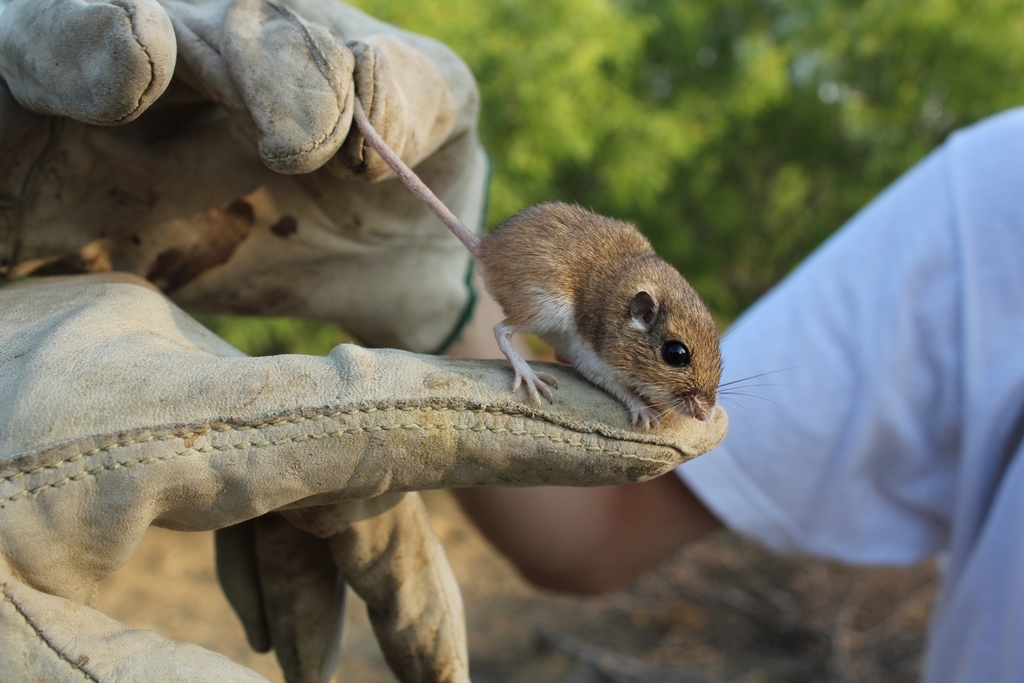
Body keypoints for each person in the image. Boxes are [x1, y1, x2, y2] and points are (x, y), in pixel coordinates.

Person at [0, 1, 725, 681]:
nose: (693, 397)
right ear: (641, 317)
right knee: (540, 317)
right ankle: (507, 339)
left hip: (532, 276)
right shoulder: (615, 321)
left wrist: (444, 303)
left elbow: (591, 542)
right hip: (539, 279)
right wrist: (572, 370)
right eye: (678, 366)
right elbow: (593, 357)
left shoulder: (645, 326)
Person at [453, 106, 1024, 682]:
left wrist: (638, 398)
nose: (702, 406)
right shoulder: (997, 183)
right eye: (677, 362)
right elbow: (596, 530)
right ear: (642, 317)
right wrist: (446, 311)